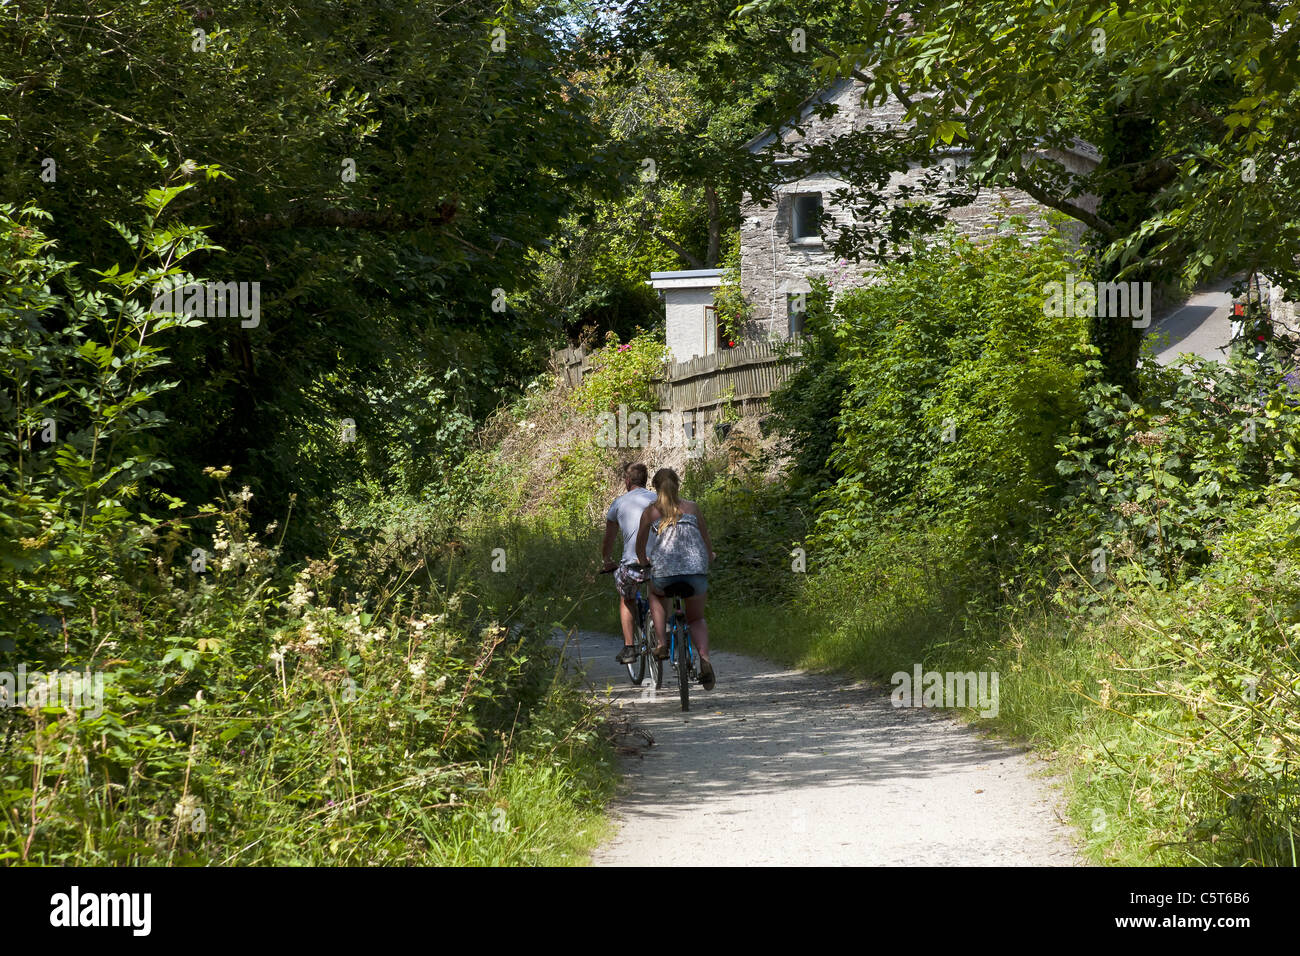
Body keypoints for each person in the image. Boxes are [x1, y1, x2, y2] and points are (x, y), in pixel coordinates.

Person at [634, 467, 717, 690]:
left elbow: (640, 545)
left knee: (655, 594)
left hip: (664, 573)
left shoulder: (651, 512)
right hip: (695, 573)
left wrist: (643, 562)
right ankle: (705, 659)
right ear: (678, 485)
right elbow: (705, 537)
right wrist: (709, 557)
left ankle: (661, 643)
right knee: (696, 619)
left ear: (655, 488)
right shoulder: (692, 507)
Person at [601, 462, 657, 664]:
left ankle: (629, 648)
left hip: (633, 565)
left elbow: (609, 538)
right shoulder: (658, 499)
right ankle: (661, 631)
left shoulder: (618, 503)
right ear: (645, 480)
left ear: (627, 480)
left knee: (626, 598)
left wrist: (607, 560)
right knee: (658, 592)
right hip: (659, 563)